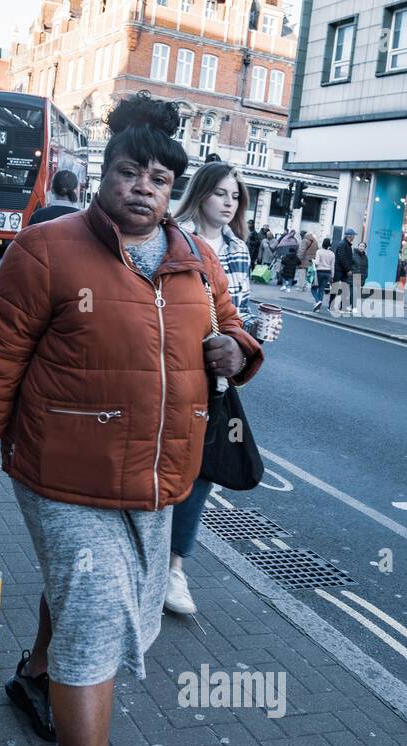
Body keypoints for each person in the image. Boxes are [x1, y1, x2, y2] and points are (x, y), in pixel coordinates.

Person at [0, 94, 263, 746]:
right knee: (95, 623)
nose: (142, 187)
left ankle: (32, 674)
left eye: (157, 177)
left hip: (158, 477)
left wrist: (238, 351)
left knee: (89, 594)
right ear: (102, 176)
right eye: (127, 172)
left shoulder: (196, 256)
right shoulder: (45, 251)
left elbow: (231, 328)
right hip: (62, 476)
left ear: (172, 186)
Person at [167, 162, 279, 616]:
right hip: (171, 368)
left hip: (213, 377)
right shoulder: (172, 235)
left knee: (204, 469)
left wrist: (255, 331)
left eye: (235, 195)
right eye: (220, 193)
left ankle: (174, 567)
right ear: (200, 195)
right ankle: (148, 557)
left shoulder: (238, 248)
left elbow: (238, 312)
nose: (229, 202)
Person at [331, 227, 357, 313]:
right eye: (354, 235)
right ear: (349, 236)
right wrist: (348, 269)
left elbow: (348, 259)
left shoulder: (347, 245)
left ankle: (343, 307)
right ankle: (331, 306)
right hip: (340, 270)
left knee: (345, 289)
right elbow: (342, 258)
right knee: (335, 288)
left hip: (343, 271)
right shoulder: (342, 244)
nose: (354, 237)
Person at [312, 237, 335, 306]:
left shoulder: (319, 251)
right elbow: (332, 266)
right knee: (321, 289)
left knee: (313, 288)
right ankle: (318, 305)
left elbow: (317, 262)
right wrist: (332, 276)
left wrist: (312, 260)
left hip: (320, 271)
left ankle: (317, 301)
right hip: (328, 273)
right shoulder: (332, 254)